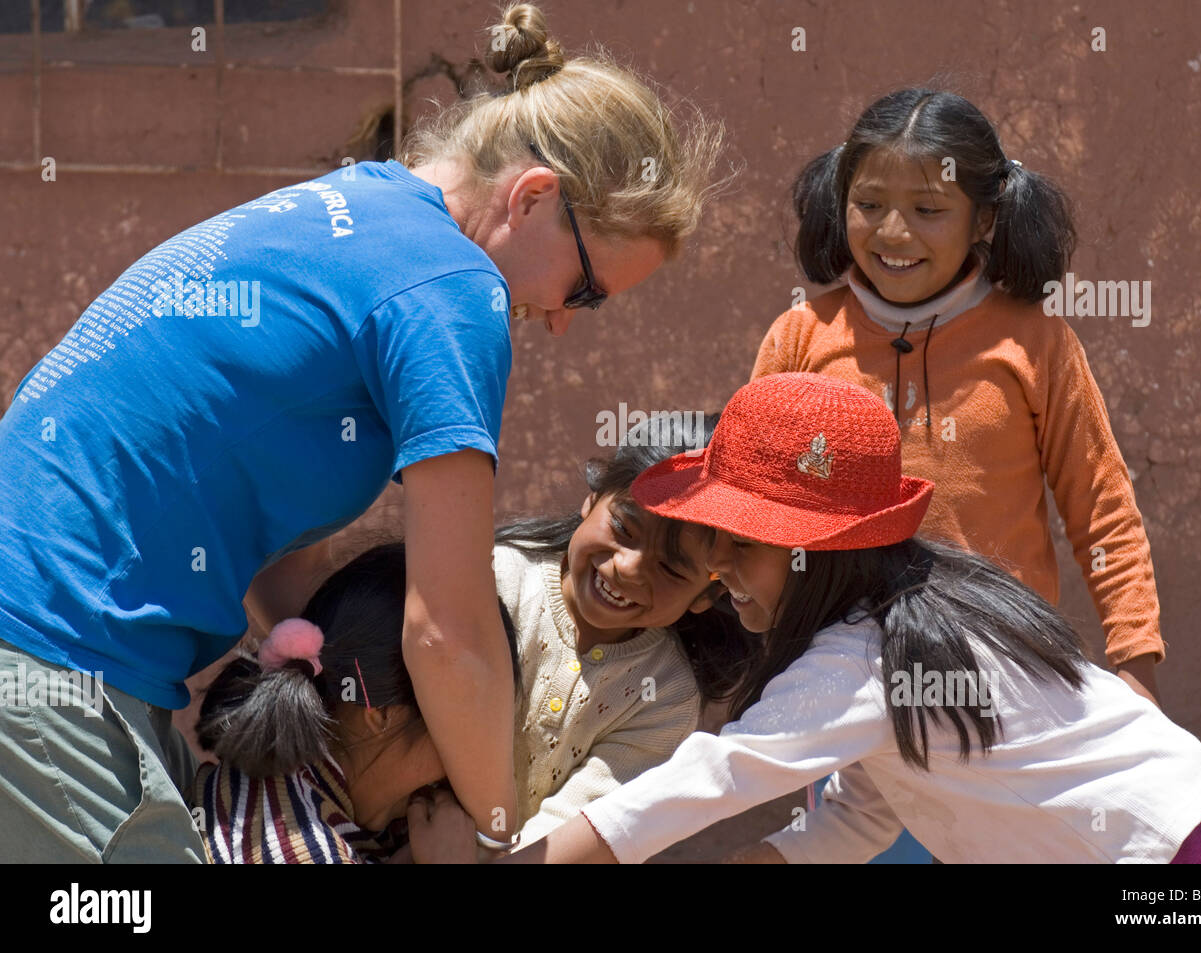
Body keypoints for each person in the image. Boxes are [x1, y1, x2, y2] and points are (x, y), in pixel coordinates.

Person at [0, 2, 722, 862]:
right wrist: (489, 835)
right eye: (587, 289)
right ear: (534, 199)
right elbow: (445, 631)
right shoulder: (453, 287)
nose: (564, 323)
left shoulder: (361, 210)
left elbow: (277, 548)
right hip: (54, 651)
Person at [491, 374, 1201, 864]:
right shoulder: (914, 613)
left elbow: (707, 780)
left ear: (819, 553)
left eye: (741, 546)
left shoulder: (861, 660)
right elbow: (862, 815)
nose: (721, 574)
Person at [752, 88, 1163, 706]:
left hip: (1005, 661)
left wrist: (1136, 665)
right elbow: (750, 500)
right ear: (840, 206)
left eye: (927, 208)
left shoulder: (1034, 342)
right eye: (869, 203)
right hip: (843, 669)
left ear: (987, 219)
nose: (894, 232)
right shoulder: (801, 337)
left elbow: (1101, 506)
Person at [494, 413, 752, 846]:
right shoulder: (498, 583)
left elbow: (573, 830)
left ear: (705, 598)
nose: (628, 568)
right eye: (623, 528)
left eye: (670, 568)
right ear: (592, 499)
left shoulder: (667, 695)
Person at [190, 543, 520, 864]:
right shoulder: (299, 847)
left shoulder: (311, 788)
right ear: (384, 714)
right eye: (470, 732)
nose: (479, 762)